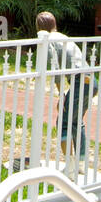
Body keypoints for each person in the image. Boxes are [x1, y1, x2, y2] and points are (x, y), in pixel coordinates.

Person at [36, 10, 95, 174]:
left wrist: (61, 96)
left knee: (62, 122)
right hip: (91, 81)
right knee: (76, 122)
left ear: (39, 28)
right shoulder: (64, 37)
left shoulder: (48, 40)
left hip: (78, 81)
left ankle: (69, 167)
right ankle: (81, 164)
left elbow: (55, 69)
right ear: (55, 24)